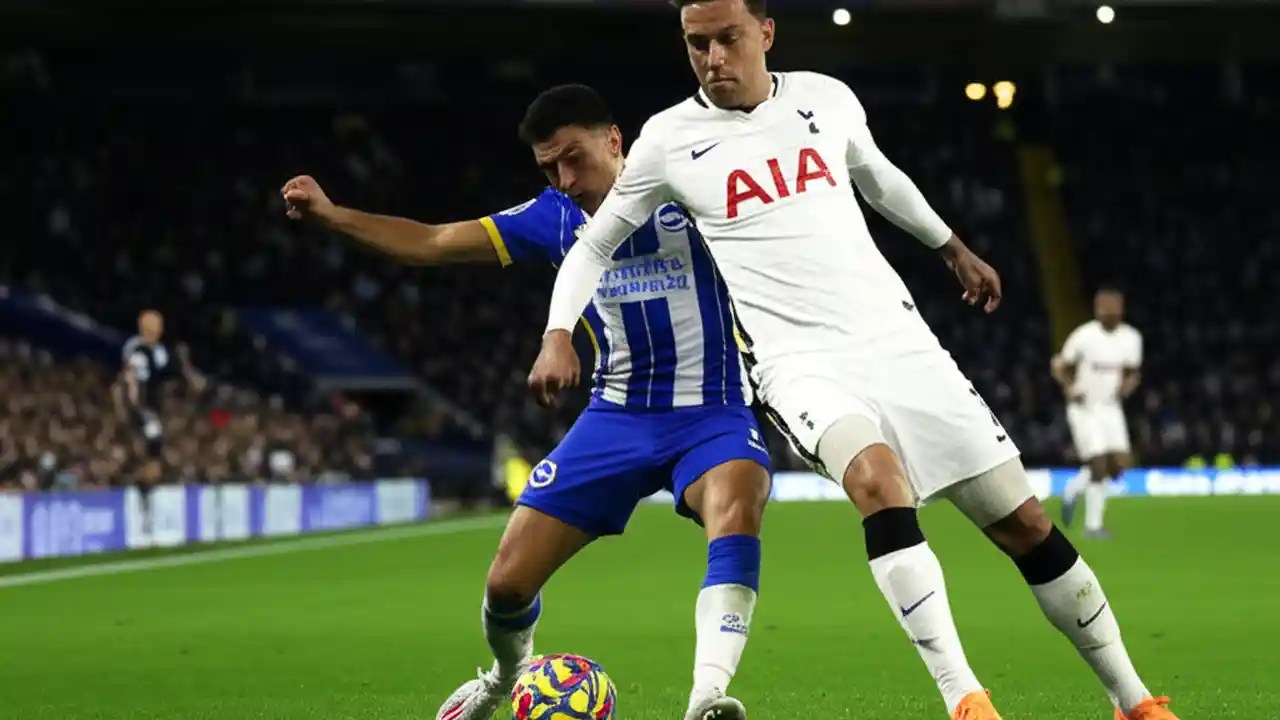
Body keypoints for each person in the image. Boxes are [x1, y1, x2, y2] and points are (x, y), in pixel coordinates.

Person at [527, 2, 1178, 719]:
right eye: (696, 44)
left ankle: (1133, 699)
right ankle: (966, 699)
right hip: (798, 363)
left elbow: (880, 178)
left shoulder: (825, 98)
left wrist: (951, 248)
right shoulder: (667, 141)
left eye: (727, 39)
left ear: (765, 33)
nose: (712, 57)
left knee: (1022, 522)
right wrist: (559, 332)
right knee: (877, 482)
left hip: (899, 343)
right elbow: (591, 245)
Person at [281, 84, 772, 720]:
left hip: (713, 408)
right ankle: (504, 676)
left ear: (615, 141)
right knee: (506, 583)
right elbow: (431, 242)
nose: (566, 180)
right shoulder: (554, 218)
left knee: (737, 507)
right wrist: (332, 214)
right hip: (616, 417)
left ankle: (708, 696)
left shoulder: (690, 184)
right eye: (549, 168)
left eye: (575, 159)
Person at [1052, 287, 1143, 539]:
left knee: (1120, 465)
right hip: (1085, 408)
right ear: (1098, 310)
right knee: (1099, 463)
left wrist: (1128, 385)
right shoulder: (1084, 336)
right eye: (1105, 309)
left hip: (1111, 406)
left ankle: (1073, 489)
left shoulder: (1131, 338)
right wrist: (1070, 387)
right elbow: (1059, 364)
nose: (1109, 313)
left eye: (1114, 309)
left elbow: (1132, 370)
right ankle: (1093, 526)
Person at [120, 310, 205, 546]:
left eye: (159, 324)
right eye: (152, 324)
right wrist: (134, 408)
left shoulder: (161, 351)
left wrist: (187, 367)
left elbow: (176, 374)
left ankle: (144, 501)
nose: (156, 328)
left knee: (155, 462)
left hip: (156, 411)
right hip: (142, 411)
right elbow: (131, 380)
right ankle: (137, 496)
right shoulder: (135, 349)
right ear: (142, 326)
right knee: (152, 446)